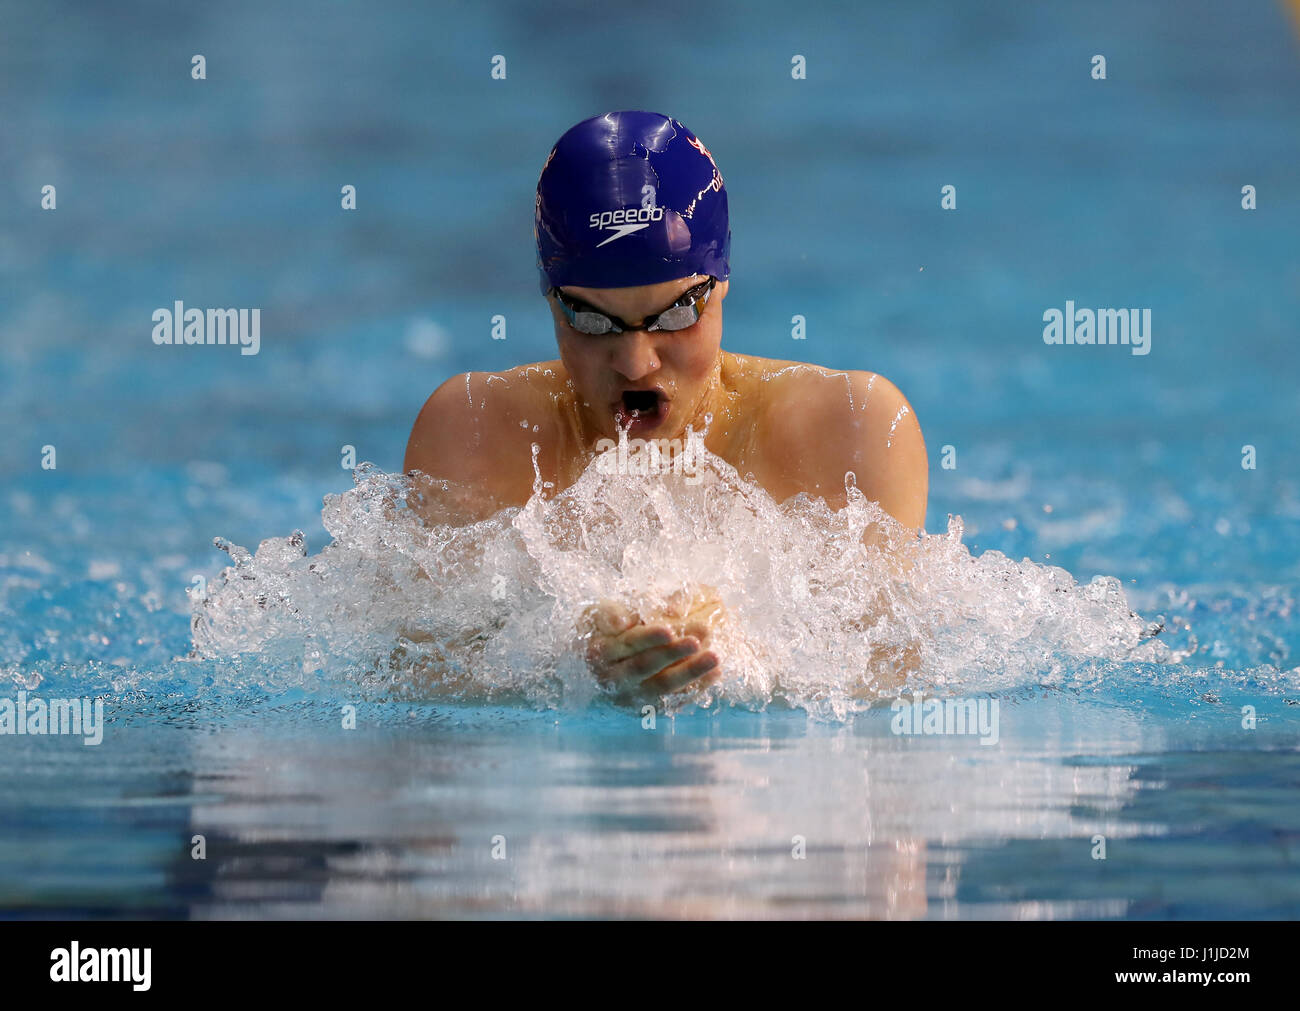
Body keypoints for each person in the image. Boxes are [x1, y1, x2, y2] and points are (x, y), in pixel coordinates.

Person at [404, 110, 928, 705]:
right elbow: (416, 679)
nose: (635, 362)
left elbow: (894, 676)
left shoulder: (852, 427)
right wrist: (567, 666)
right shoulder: (472, 429)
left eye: (675, 315)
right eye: (591, 319)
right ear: (550, 298)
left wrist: (745, 653)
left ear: (721, 280)